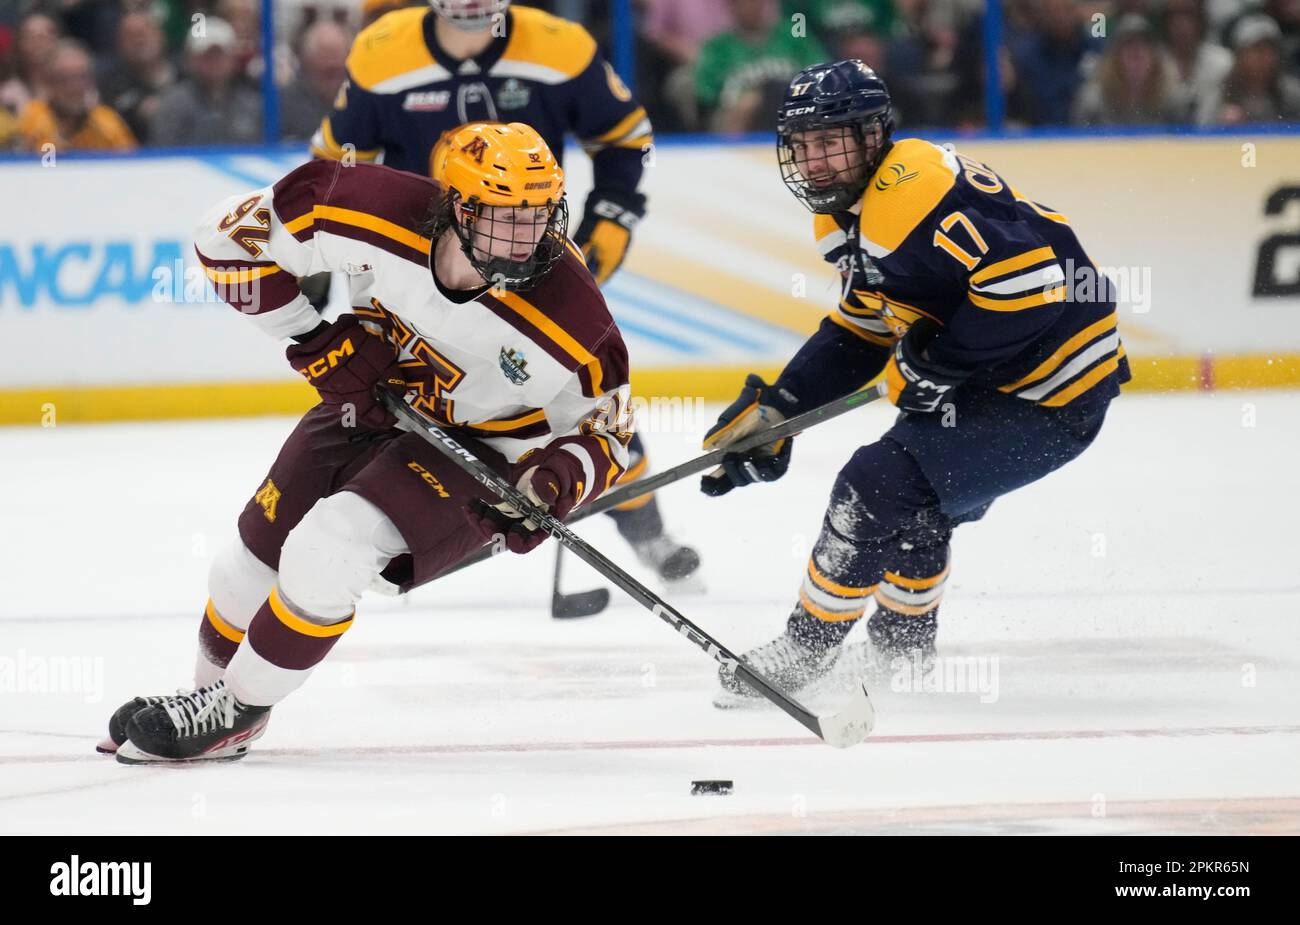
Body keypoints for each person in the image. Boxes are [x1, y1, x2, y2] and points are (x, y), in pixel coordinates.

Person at [100, 122, 633, 763]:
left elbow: (607, 431)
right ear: (459, 207)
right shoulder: (355, 206)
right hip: (374, 401)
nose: (528, 237)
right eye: (506, 216)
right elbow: (221, 241)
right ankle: (206, 703)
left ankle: (236, 712)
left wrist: (552, 483)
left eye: (540, 215)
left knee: (330, 548)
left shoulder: (573, 316)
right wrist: (314, 340)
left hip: (487, 448)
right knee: (244, 564)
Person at [702, 61, 1129, 705]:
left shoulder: (908, 194)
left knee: (875, 484)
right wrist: (782, 408)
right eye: (802, 144)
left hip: (1051, 393)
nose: (813, 161)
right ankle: (903, 651)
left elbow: (1033, 285)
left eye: (830, 141)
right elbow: (861, 329)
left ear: (874, 136)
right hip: (993, 374)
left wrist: (938, 364)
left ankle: (808, 646)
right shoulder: (850, 214)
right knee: (913, 503)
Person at [311, 0, 699, 589]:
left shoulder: (559, 46)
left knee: (578, 396)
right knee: (389, 397)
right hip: (420, 273)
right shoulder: (382, 50)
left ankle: (646, 532)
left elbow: (626, 137)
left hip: (528, 270)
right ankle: (361, 539)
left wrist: (614, 215)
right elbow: (337, 163)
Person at [17, 40, 136, 152]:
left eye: (82, 77)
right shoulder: (32, 118)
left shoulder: (107, 122)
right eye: (64, 78)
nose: (75, 87)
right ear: (49, 83)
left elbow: (130, 165)